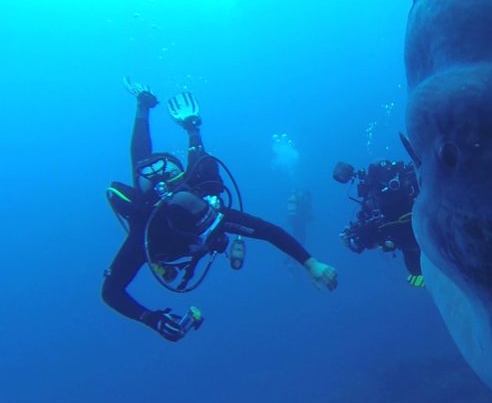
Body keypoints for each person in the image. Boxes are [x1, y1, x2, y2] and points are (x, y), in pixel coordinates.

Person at [102, 79, 338, 342]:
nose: (207, 220)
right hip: (156, 209)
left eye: (207, 217)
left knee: (203, 178)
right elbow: (110, 292)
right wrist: (151, 319)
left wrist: (311, 263)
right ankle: (179, 122)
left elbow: (268, 231)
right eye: (201, 223)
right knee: (148, 167)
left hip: (185, 189)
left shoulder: (212, 212)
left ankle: (184, 124)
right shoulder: (145, 237)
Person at [333, 159, 424, 288]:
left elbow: (362, 243)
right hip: (420, 248)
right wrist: (351, 240)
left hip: (418, 247)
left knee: (416, 270)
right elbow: (362, 241)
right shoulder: (373, 206)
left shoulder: (414, 182)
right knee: (416, 270)